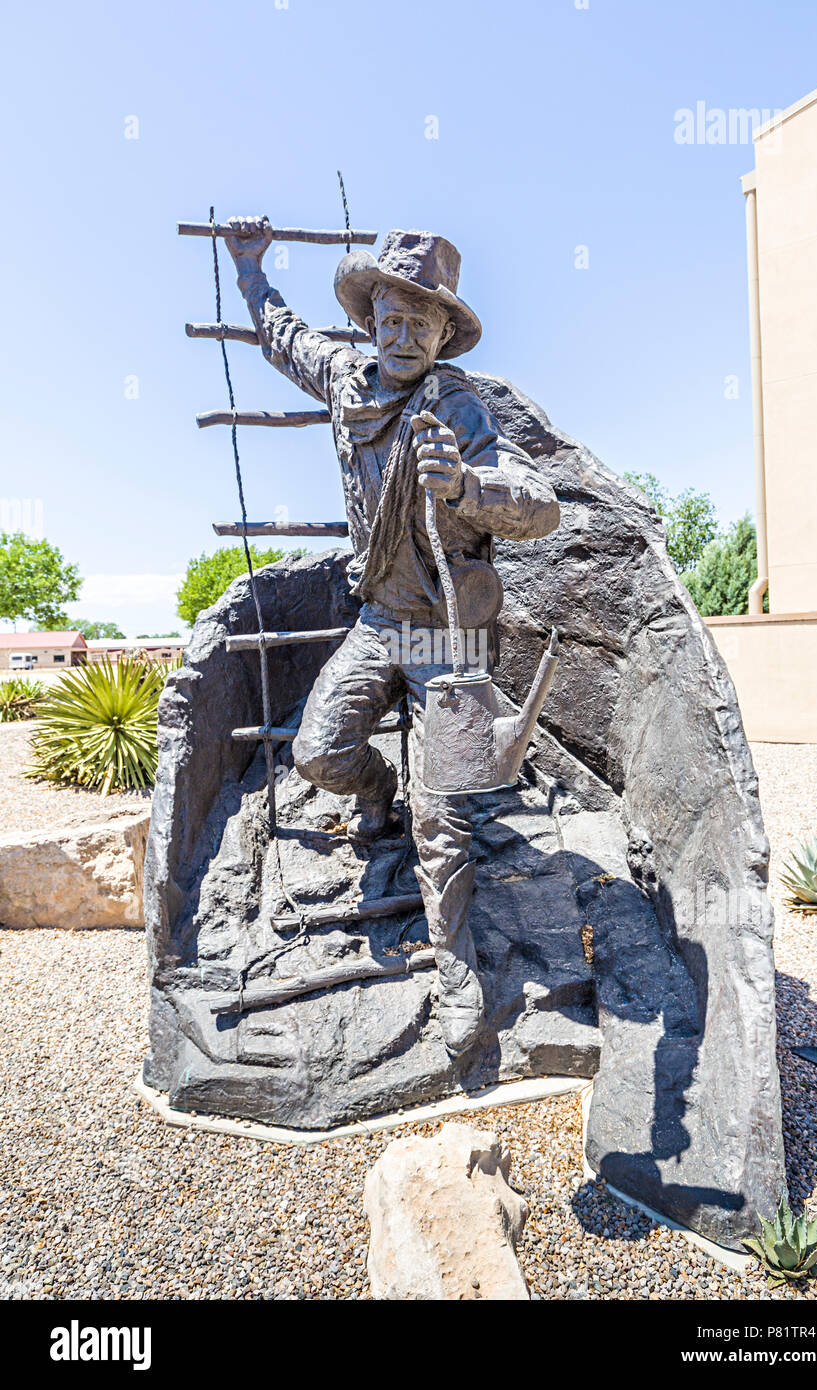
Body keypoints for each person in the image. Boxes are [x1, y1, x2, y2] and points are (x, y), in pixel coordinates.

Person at [225, 219, 560, 1056]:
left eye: (423, 322)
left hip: (445, 638)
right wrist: (250, 271)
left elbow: (541, 506)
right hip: (380, 625)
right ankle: (381, 798)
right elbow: (284, 339)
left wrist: (471, 485)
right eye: (392, 317)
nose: (404, 335)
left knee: (443, 825)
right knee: (316, 750)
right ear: (370, 317)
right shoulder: (345, 380)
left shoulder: (457, 408)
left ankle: (456, 971)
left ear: (445, 333)